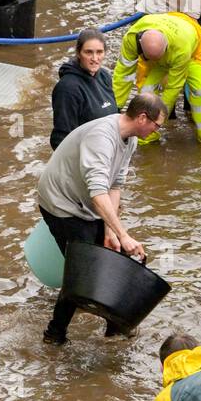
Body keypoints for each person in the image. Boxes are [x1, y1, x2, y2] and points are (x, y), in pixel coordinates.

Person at [38, 95, 167, 345]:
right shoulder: (102, 137)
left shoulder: (130, 140)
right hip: (60, 203)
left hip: (86, 200)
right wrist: (124, 235)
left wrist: (112, 231)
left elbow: (114, 185)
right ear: (142, 118)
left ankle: (115, 327)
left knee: (113, 255)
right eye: (157, 125)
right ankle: (54, 336)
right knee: (84, 269)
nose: (156, 130)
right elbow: (98, 192)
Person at [112, 13, 201, 149]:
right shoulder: (131, 39)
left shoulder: (182, 47)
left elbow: (174, 87)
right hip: (159, 46)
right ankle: (145, 137)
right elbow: (123, 75)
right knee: (146, 90)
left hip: (191, 48)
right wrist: (115, 110)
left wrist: (159, 118)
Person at [50, 27, 117, 151]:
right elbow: (61, 139)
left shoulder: (105, 76)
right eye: (88, 52)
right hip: (83, 157)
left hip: (105, 151)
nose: (95, 58)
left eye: (99, 52)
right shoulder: (67, 89)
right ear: (78, 53)